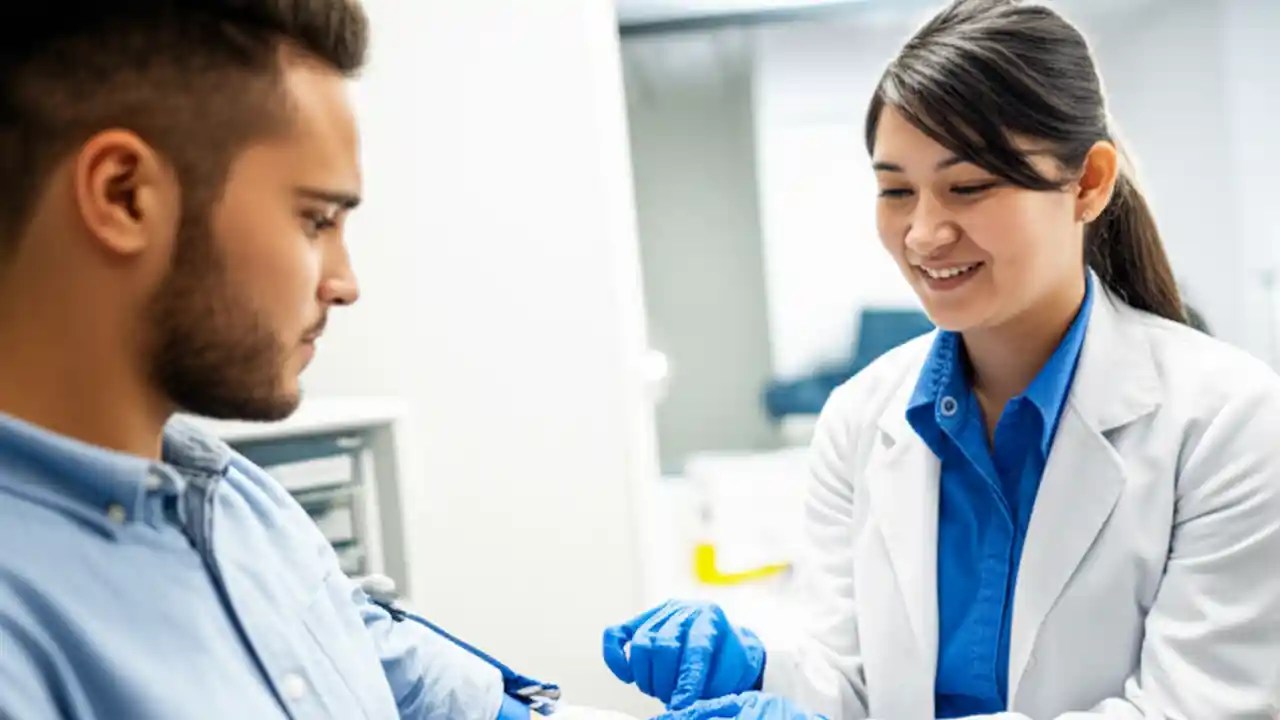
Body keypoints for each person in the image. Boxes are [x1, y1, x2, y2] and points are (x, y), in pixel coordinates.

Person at [602, 1, 1280, 718]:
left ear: (1087, 184)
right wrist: (760, 673)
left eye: (969, 188)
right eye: (895, 190)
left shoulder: (1227, 422)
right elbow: (852, 685)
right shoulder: (861, 420)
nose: (923, 234)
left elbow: (1193, 709)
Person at [0, 3, 555, 719]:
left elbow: (392, 668)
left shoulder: (238, 505)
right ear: (124, 196)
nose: (344, 283)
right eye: (316, 220)